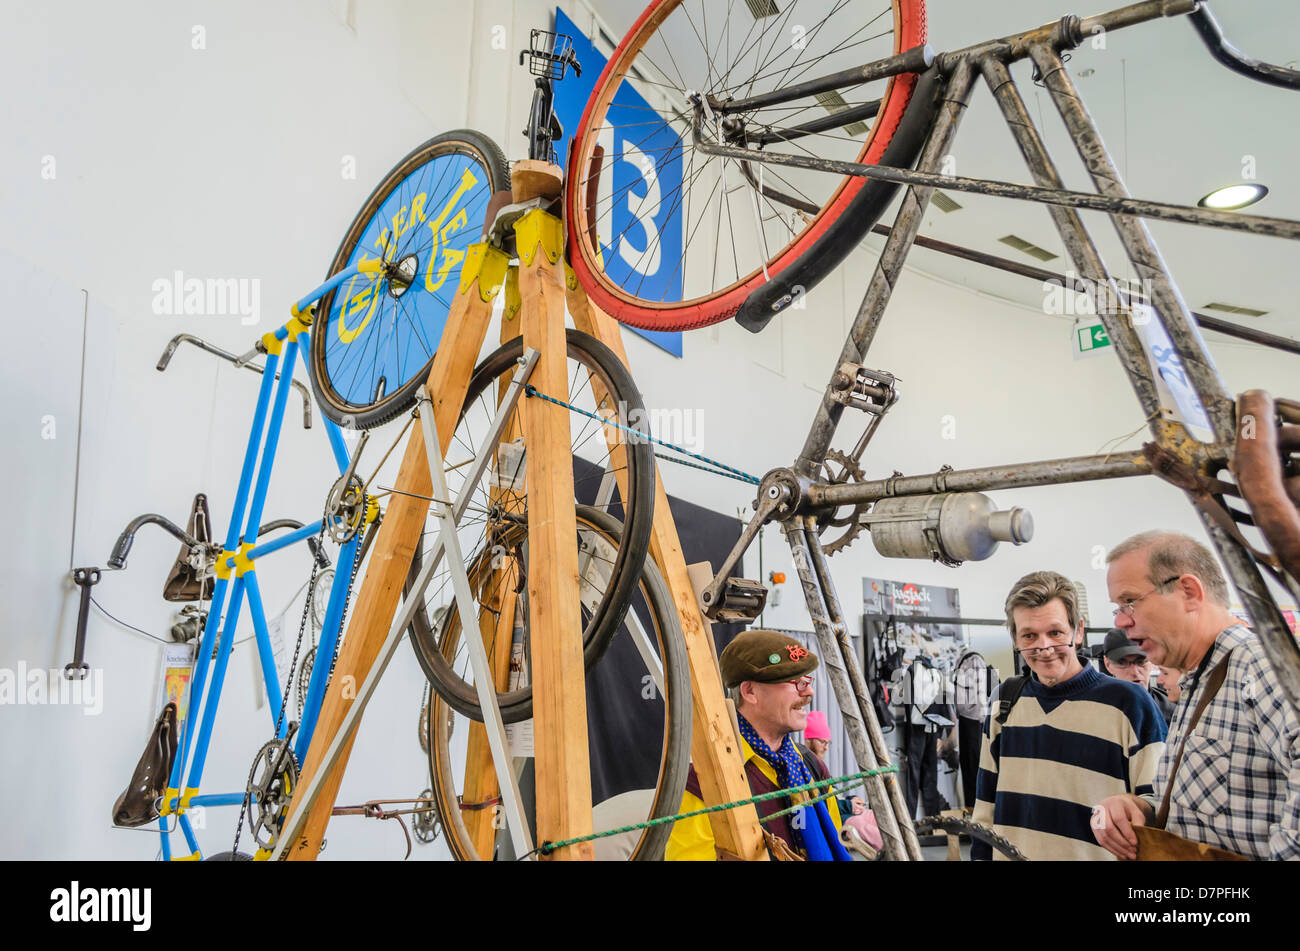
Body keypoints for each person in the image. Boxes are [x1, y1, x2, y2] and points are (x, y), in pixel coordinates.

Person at [1092, 531, 1300, 860]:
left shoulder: (1257, 666)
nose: (1121, 620)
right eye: (1118, 607)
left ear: (1188, 592)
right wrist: (1141, 809)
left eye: (1129, 602)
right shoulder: (1200, 678)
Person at [972, 571, 1167, 860]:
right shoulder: (1004, 701)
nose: (1044, 647)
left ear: (1078, 631)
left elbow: (1158, 805)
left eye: (1055, 632)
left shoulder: (1129, 704)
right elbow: (985, 807)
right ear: (1015, 638)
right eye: (1029, 635)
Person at [666, 631, 847, 861]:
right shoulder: (703, 782)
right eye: (796, 682)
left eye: (807, 681)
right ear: (750, 691)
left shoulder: (812, 768)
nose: (809, 691)